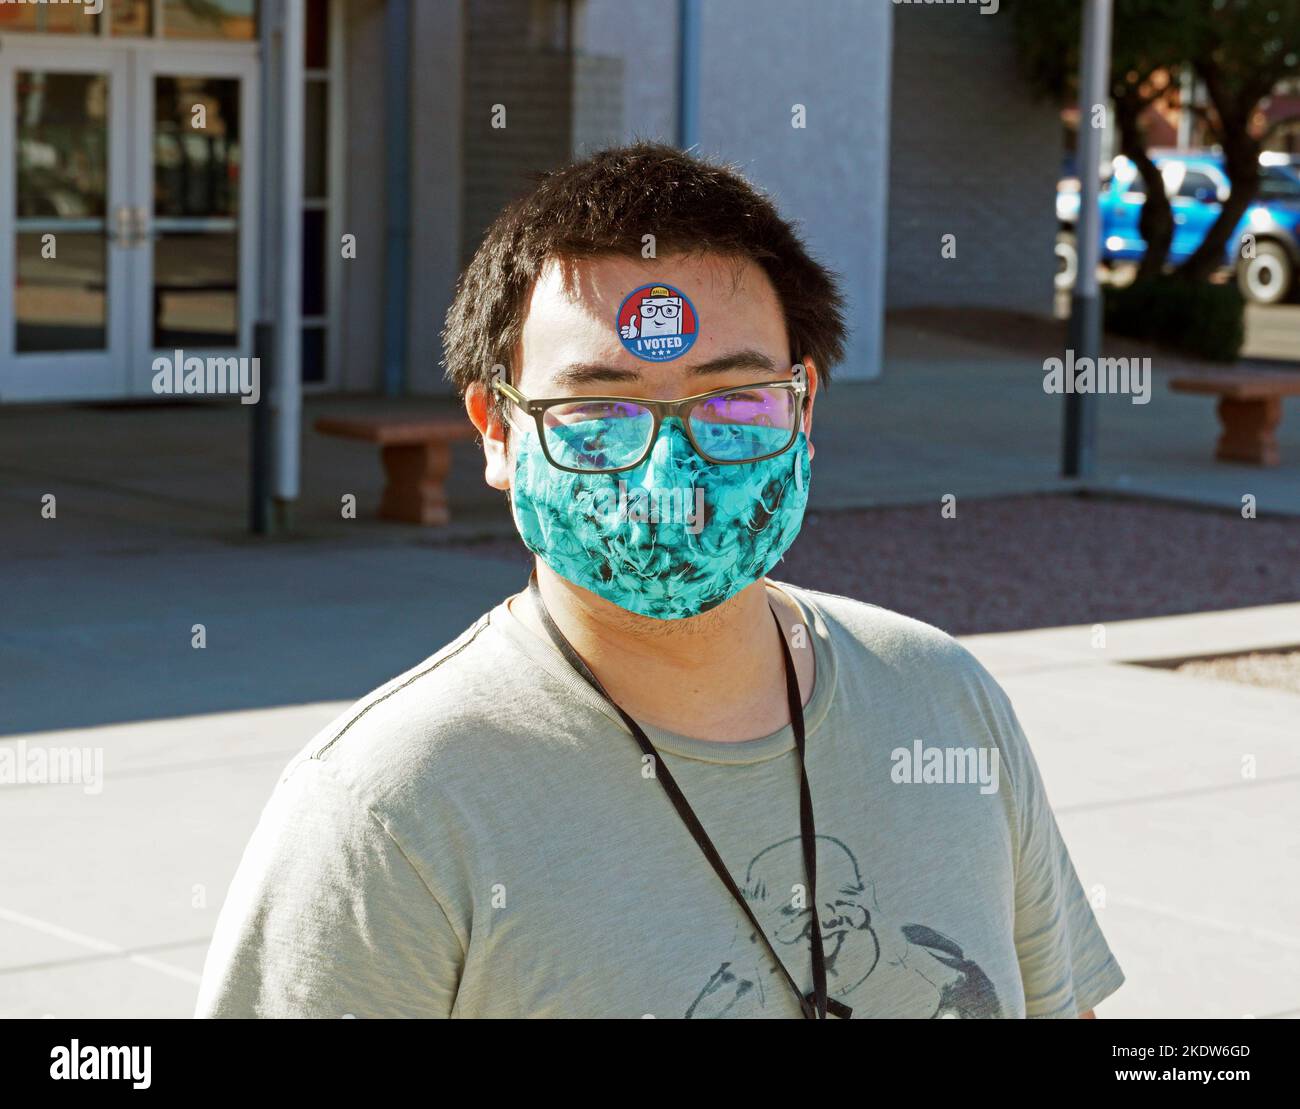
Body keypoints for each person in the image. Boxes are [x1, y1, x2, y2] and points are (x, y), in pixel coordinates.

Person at [194, 143, 1124, 1019]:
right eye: (599, 410)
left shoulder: (946, 701)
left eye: (730, 400)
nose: (670, 476)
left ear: (804, 408)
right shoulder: (388, 808)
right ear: (495, 430)